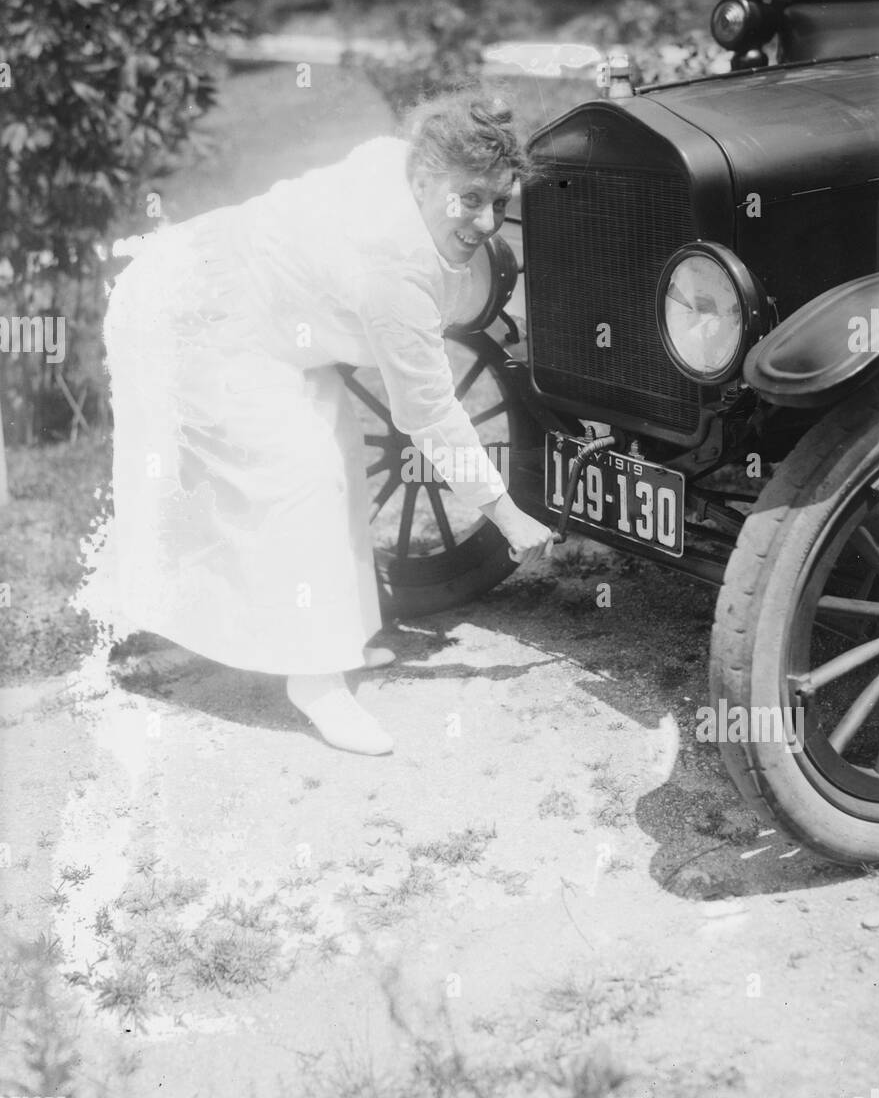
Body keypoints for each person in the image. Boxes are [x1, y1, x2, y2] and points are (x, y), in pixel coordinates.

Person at [104, 93, 553, 756]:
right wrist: (508, 517)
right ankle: (313, 684)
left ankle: (334, 640)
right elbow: (428, 411)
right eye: (471, 200)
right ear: (426, 182)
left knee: (341, 457)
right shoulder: (394, 271)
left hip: (262, 318)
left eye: (499, 201)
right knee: (301, 477)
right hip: (188, 314)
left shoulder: (400, 159)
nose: (487, 221)